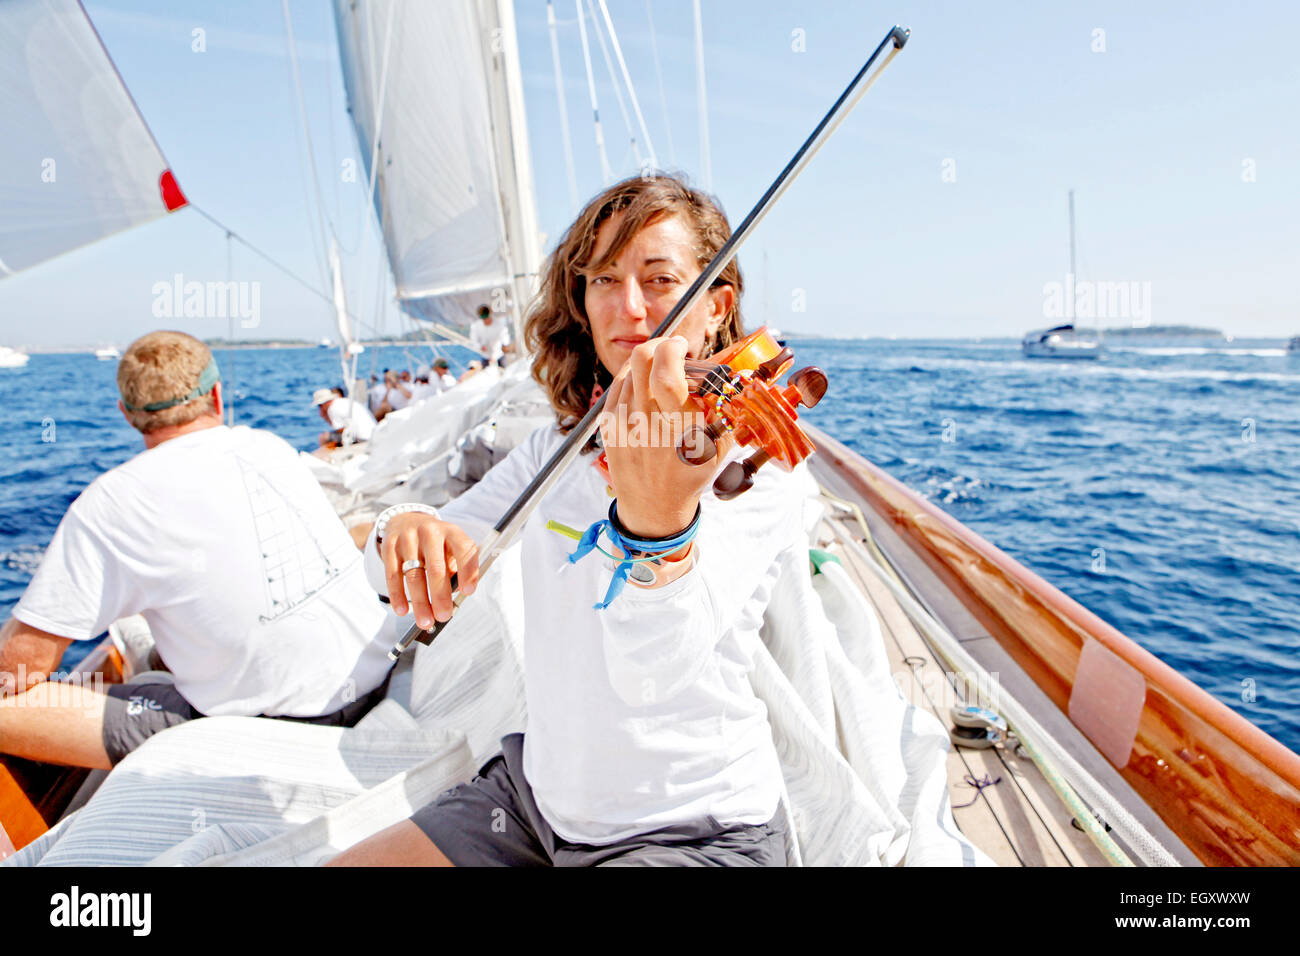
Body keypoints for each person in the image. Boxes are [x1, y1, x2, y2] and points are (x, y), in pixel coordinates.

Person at [328, 174, 802, 867]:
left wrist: (659, 526)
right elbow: (391, 566)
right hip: (537, 804)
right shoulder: (562, 446)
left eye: (660, 279)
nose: (630, 308)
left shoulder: (752, 463)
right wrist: (400, 526)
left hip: (690, 832)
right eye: (604, 280)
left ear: (715, 307)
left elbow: (653, 673)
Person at [0, 331, 397, 770]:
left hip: (285, 729)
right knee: (161, 653)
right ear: (216, 394)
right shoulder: (268, 446)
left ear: (127, 415)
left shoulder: (111, 500)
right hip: (375, 679)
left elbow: (21, 667)